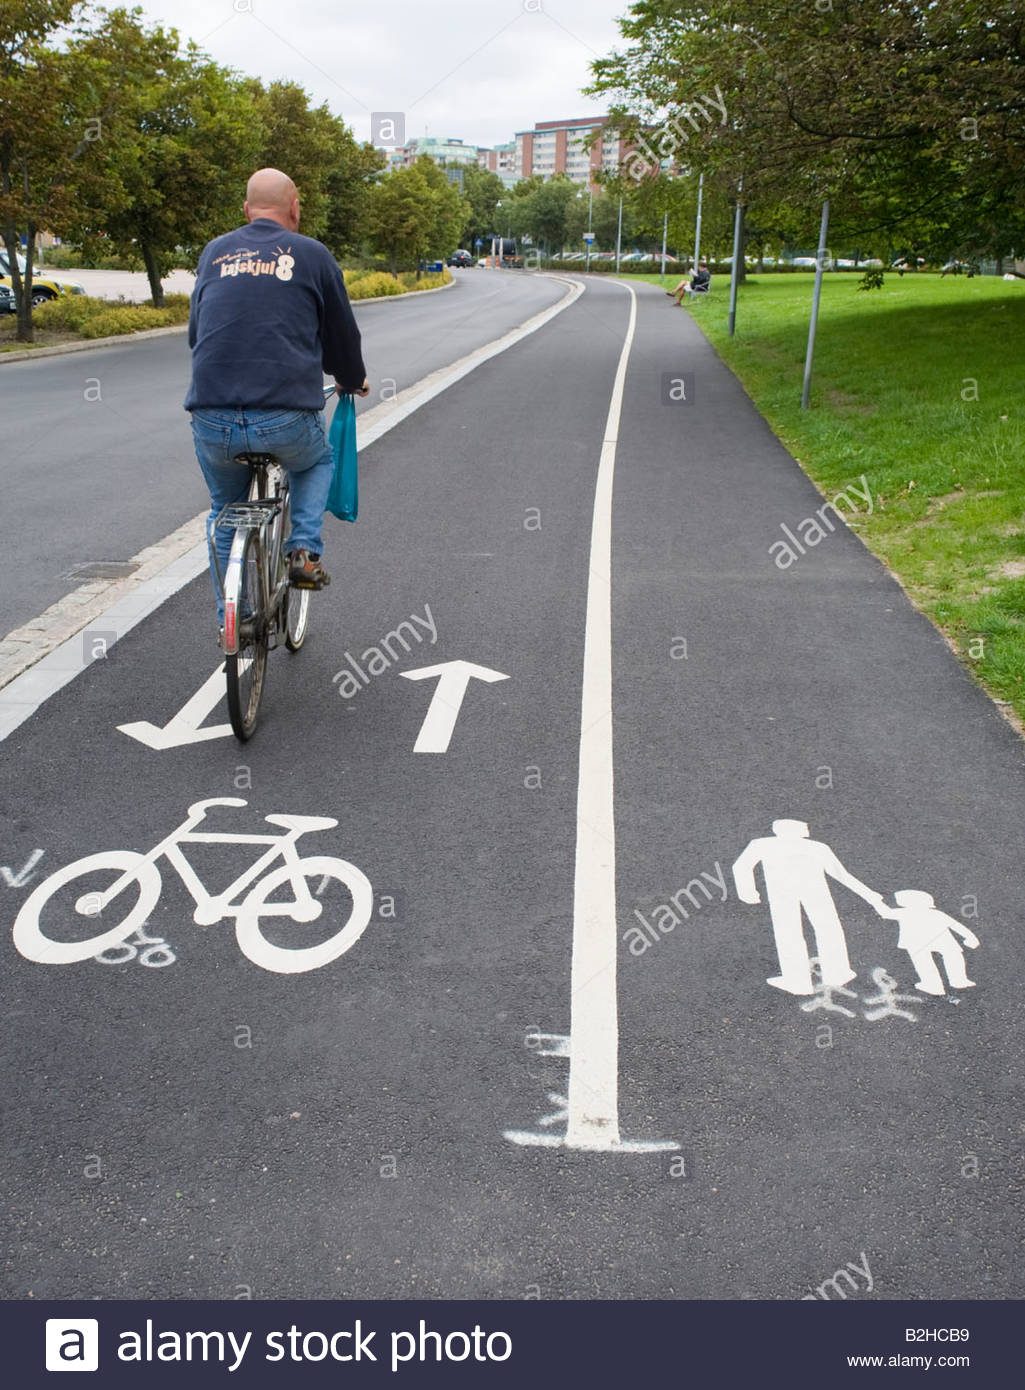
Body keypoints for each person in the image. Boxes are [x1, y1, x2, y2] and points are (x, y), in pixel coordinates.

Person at [185, 168, 369, 632]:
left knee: (223, 514)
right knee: (314, 462)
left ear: (246, 211)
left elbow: (196, 334)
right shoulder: (312, 254)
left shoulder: (213, 253)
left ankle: (236, 619)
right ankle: (302, 551)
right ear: (295, 208)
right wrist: (350, 379)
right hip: (285, 419)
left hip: (212, 418)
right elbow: (341, 335)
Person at [732, 819, 890, 995]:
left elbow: (741, 866)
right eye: (804, 827)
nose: (807, 829)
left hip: (782, 892)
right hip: (815, 891)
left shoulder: (763, 844)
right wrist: (869, 894)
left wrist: (747, 892)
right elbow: (841, 875)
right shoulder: (817, 847)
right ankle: (837, 973)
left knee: (789, 932)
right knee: (828, 928)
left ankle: (796, 980)